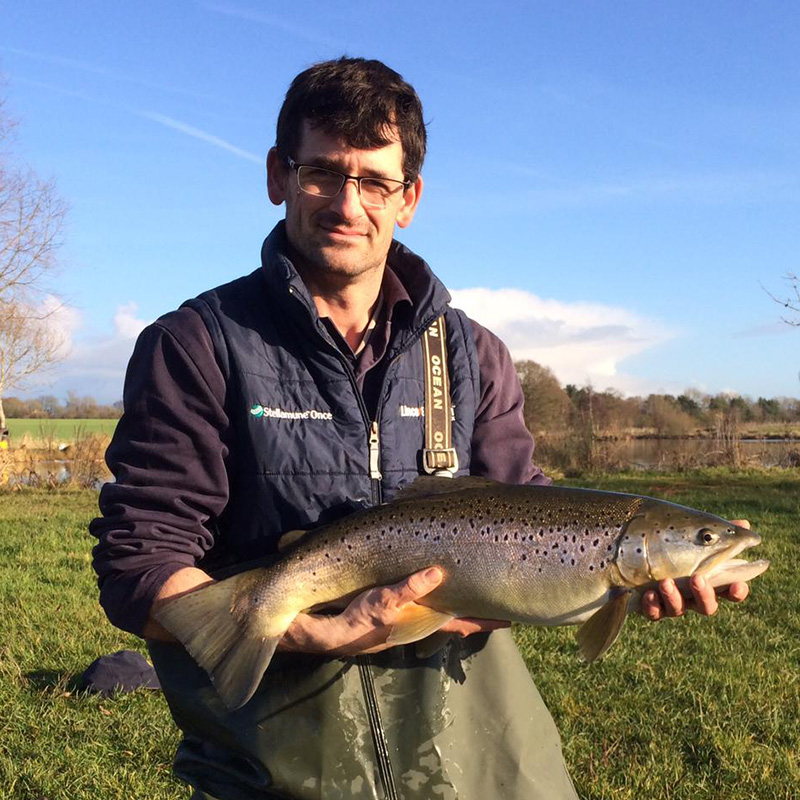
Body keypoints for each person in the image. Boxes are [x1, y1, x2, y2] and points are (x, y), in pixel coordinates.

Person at [91, 57, 750, 800]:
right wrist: (302, 627)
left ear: (409, 198)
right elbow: (139, 558)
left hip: (476, 752)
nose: (349, 204)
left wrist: (634, 582)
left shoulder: (474, 354)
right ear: (278, 176)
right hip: (283, 750)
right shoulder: (195, 346)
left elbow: (532, 507)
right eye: (322, 173)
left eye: (376, 182)